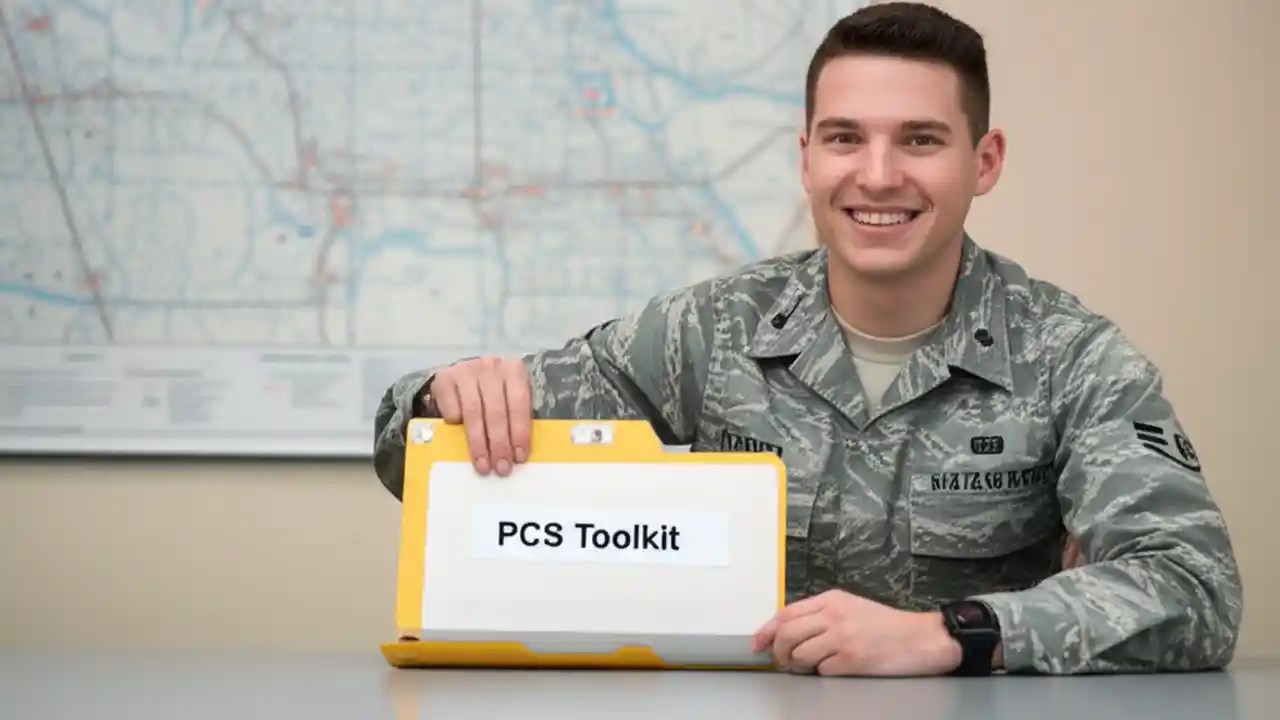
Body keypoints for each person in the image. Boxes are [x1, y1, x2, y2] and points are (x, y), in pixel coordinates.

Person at [372, 2, 1242, 677]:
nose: (876, 174)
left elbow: (1195, 592)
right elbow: (407, 451)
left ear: (985, 161)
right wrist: (443, 397)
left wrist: (952, 635)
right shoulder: (706, 334)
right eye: (844, 139)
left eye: (921, 140)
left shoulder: (1071, 357)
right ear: (805, 158)